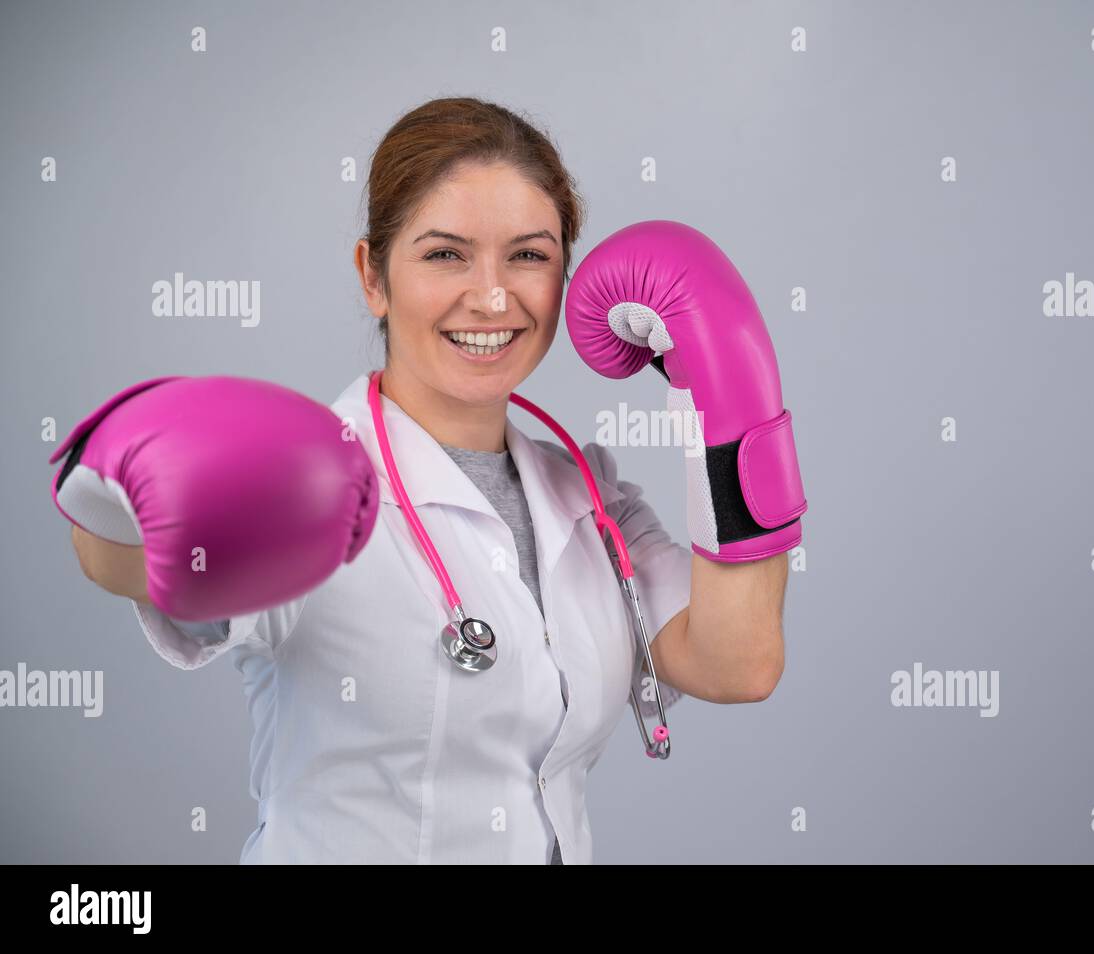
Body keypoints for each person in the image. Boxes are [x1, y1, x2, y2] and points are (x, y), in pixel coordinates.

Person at [65, 96, 795, 864]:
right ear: (373, 277)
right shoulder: (307, 488)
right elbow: (122, 562)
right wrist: (114, 487)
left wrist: (733, 399)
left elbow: (736, 661)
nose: (490, 297)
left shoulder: (590, 496)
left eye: (529, 255)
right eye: (445, 254)